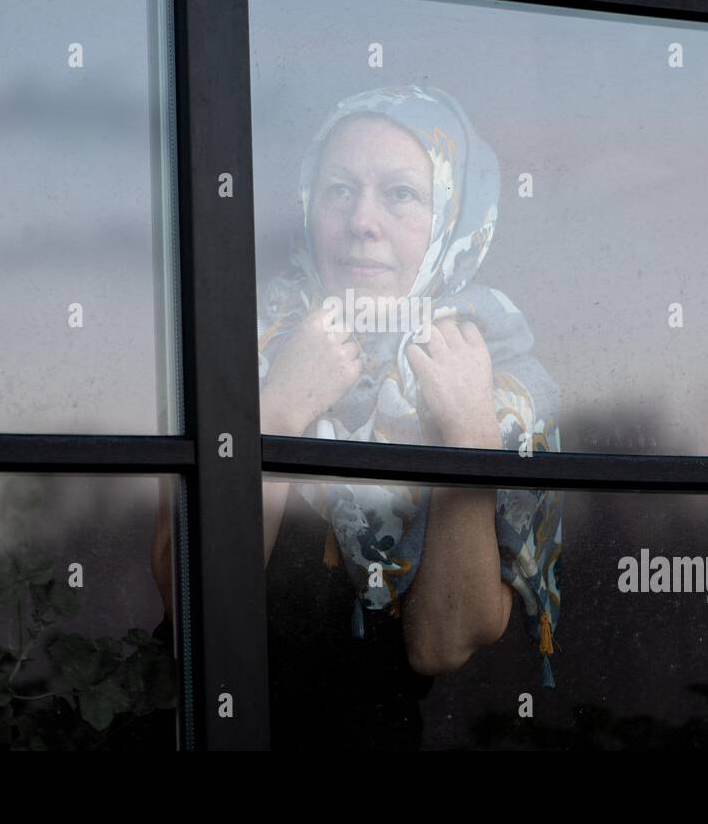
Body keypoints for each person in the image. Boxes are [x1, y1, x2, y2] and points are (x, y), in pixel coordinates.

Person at [154, 84, 562, 748]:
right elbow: (192, 605)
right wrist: (282, 403)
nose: (362, 220)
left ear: (454, 217)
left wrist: (467, 433)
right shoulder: (230, 350)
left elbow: (441, 643)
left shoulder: (505, 390)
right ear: (309, 207)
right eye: (339, 190)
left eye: (401, 193)